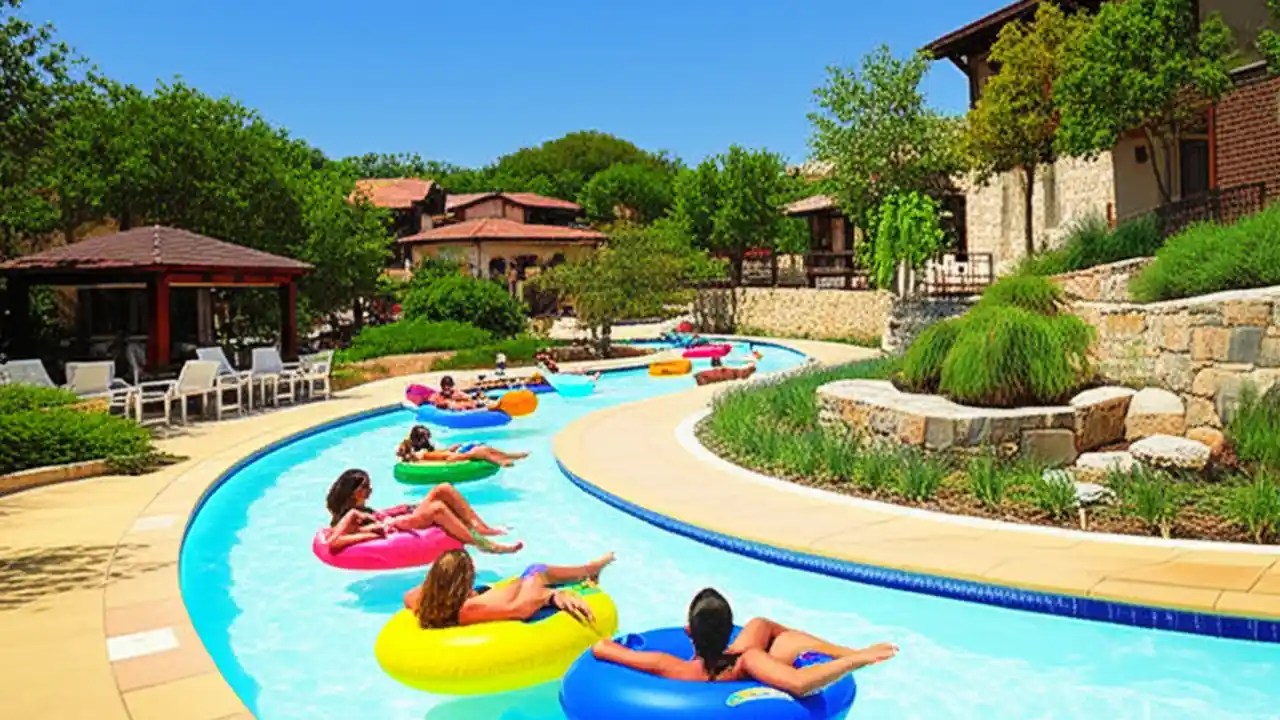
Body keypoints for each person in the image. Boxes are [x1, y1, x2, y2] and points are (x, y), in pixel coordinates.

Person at [591, 588, 896, 697]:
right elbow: (800, 684)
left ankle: (848, 651)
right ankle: (848, 651)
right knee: (786, 639)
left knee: (760, 624)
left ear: (687, 632)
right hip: (739, 675)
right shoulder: (746, 659)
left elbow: (601, 648)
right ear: (729, 632)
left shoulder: (667, 666)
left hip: (711, 669)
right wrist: (855, 661)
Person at [323, 469, 523, 554]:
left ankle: (482, 528)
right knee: (437, 509)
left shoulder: (360, 509)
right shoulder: (347, 516)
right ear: (353, 492)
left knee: (443, 488)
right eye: (365, 487)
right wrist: (371, 534)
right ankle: (485, 545)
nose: (370, 490)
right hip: (393, 528)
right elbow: (335, 542)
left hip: (395, 521)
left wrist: (399, 509)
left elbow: (376, 515)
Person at [404, 549, 616, 628]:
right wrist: (552, 596)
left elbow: (408, 596)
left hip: (494, 592)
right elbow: (520, 609)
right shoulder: (468, 608)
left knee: (533, 572)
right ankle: (590, 569)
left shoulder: (422, 601)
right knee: (536, 569)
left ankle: (590, 569)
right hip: (525, 588)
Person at [396, 425, 528, 467]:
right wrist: (405, 450)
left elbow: (437, 453)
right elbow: (406, 454)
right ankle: (500, 462)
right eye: (425, 438)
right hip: (451, 459)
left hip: (451, 455)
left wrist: (450, 449)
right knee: (480, 451)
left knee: (483, 447)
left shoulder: (425, 449)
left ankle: (509, 455)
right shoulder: (418, 454)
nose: (427, 440)